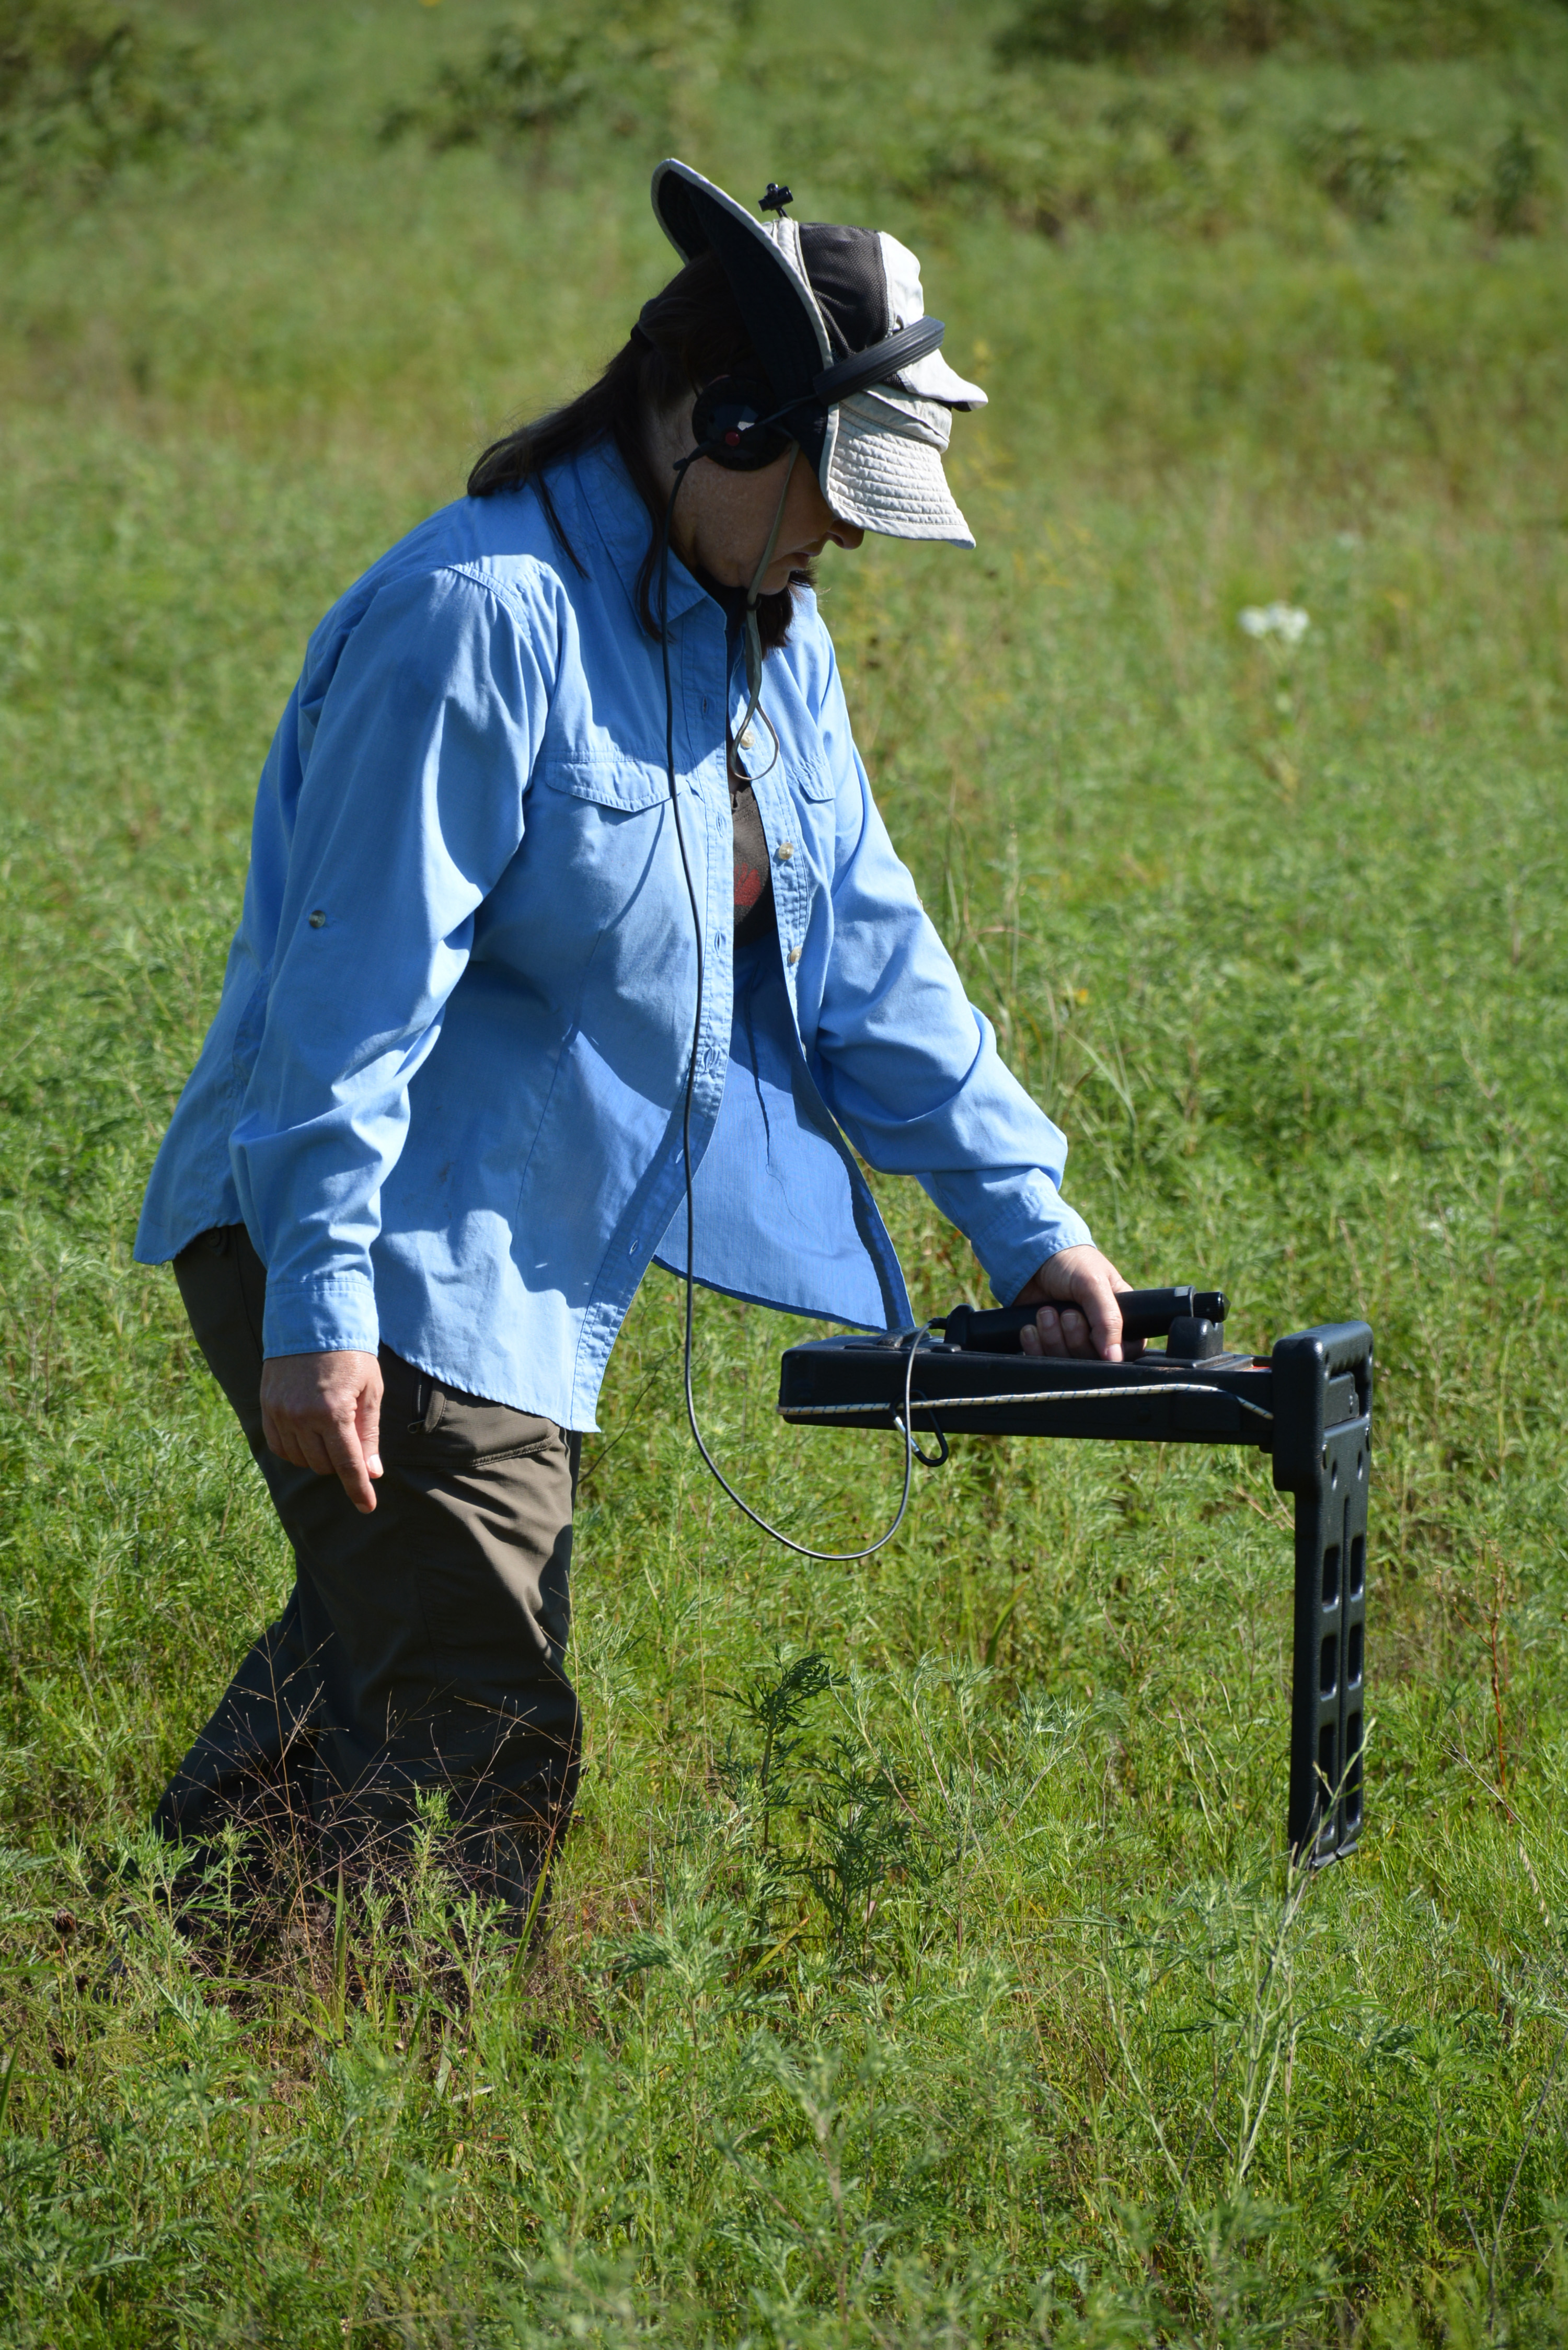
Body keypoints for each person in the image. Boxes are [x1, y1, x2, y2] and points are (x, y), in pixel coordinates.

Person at [133, 162, 1135, 1925]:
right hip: (377, 1240)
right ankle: (392, 2068)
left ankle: (136, 1992)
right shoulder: (477, 621)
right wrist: (323, 1306)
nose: (845, 541)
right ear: (723, 420)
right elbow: (347, 1000)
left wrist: (1026, 1221)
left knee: (375, 1658)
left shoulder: (767, 637)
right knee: (481, 1721)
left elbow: (867, 954)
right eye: (833, 486)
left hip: (512, 1263)